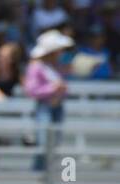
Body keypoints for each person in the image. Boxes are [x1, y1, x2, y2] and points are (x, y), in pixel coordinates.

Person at [25, 29, 73, 171]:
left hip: (56, 107)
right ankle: (38, 175)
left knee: (54, 143)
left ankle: (49, 175)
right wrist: (53, 88)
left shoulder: (55, 66)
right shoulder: (36, 67)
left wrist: (60, 89)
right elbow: (31, 90)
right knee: (44, 143)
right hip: (44, 108)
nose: (61, 53)